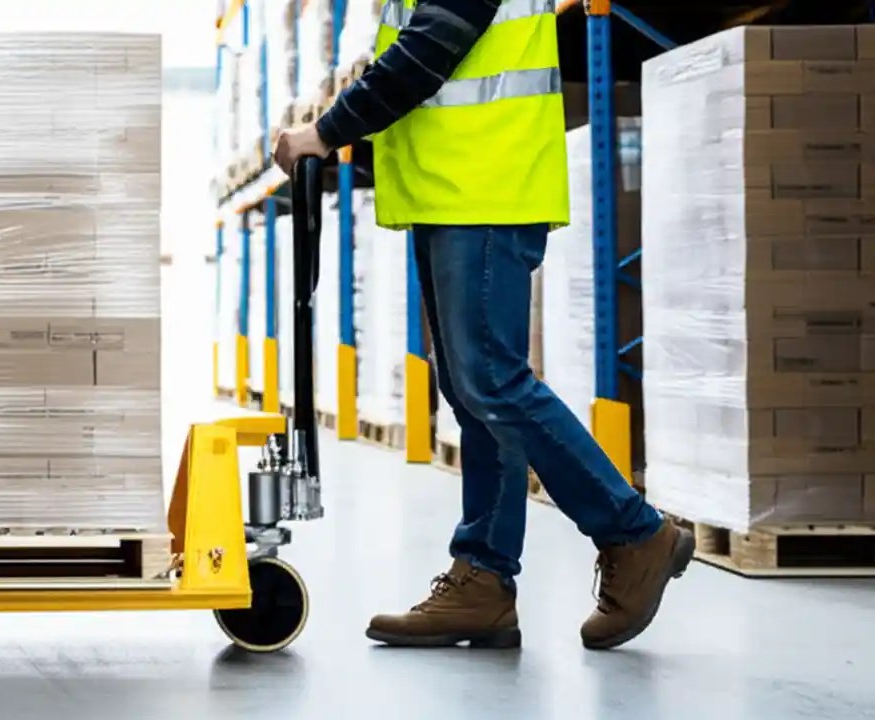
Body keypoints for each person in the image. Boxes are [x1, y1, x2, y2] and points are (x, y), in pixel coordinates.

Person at [274, 0, 694, 651]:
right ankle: (484, 581)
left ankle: (634, 531)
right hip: (454, 185)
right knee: (473, 392)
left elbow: (432, 46)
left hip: (485, 183)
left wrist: (327, 131)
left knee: (492, 379)